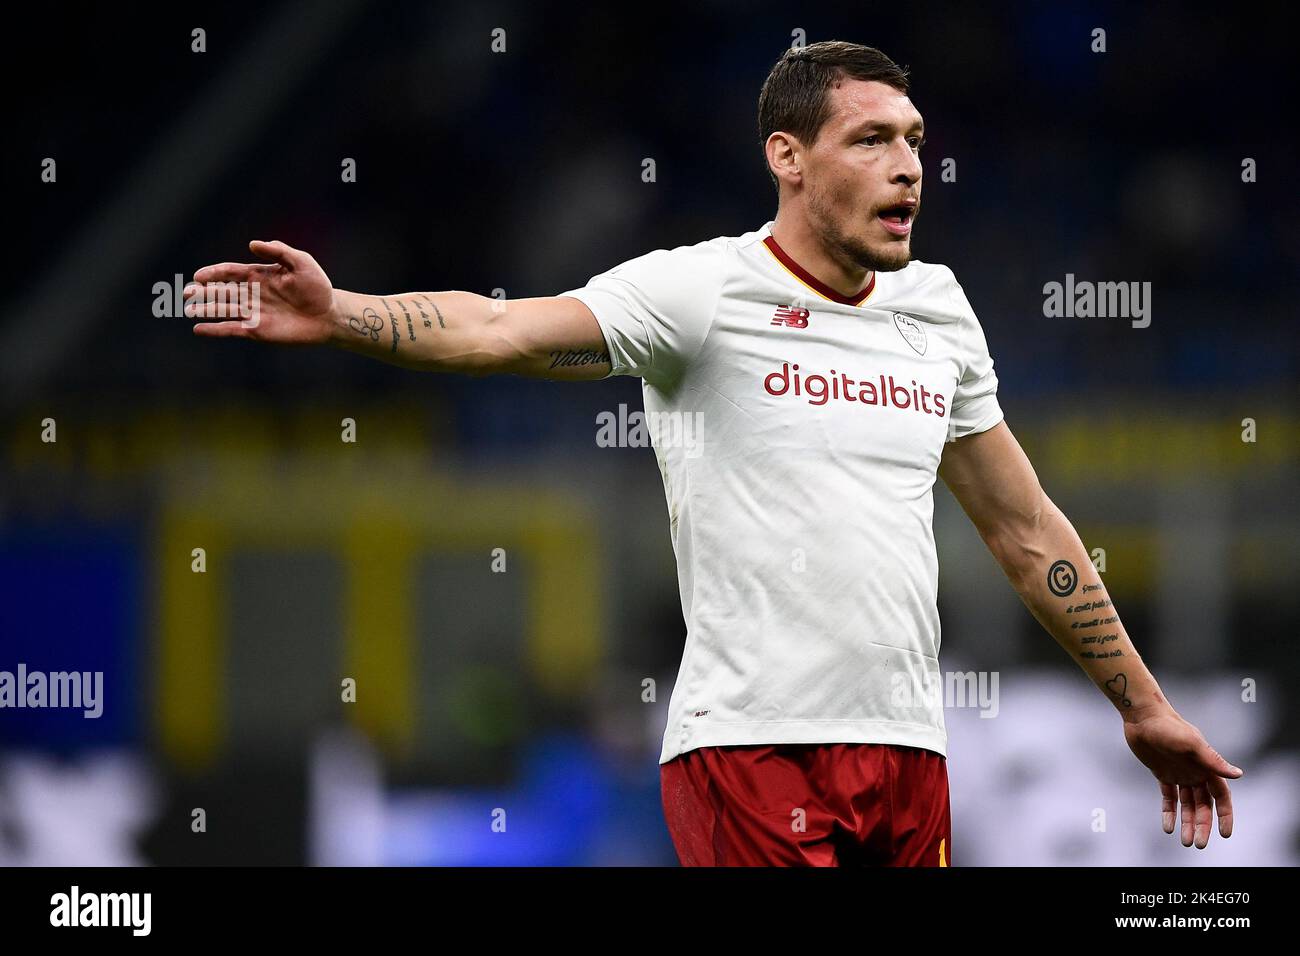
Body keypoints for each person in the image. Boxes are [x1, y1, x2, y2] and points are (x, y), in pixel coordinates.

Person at [187, 40, 1241, 866]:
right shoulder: (703, 292)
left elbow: (1022, 529)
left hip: (909, 749)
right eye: (871, 139)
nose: (908, 165)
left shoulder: (939, 311)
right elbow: (499, 329)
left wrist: (1142, 704)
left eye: (915, 138)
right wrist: (345, 314)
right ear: (787, 155)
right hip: (749, 744)